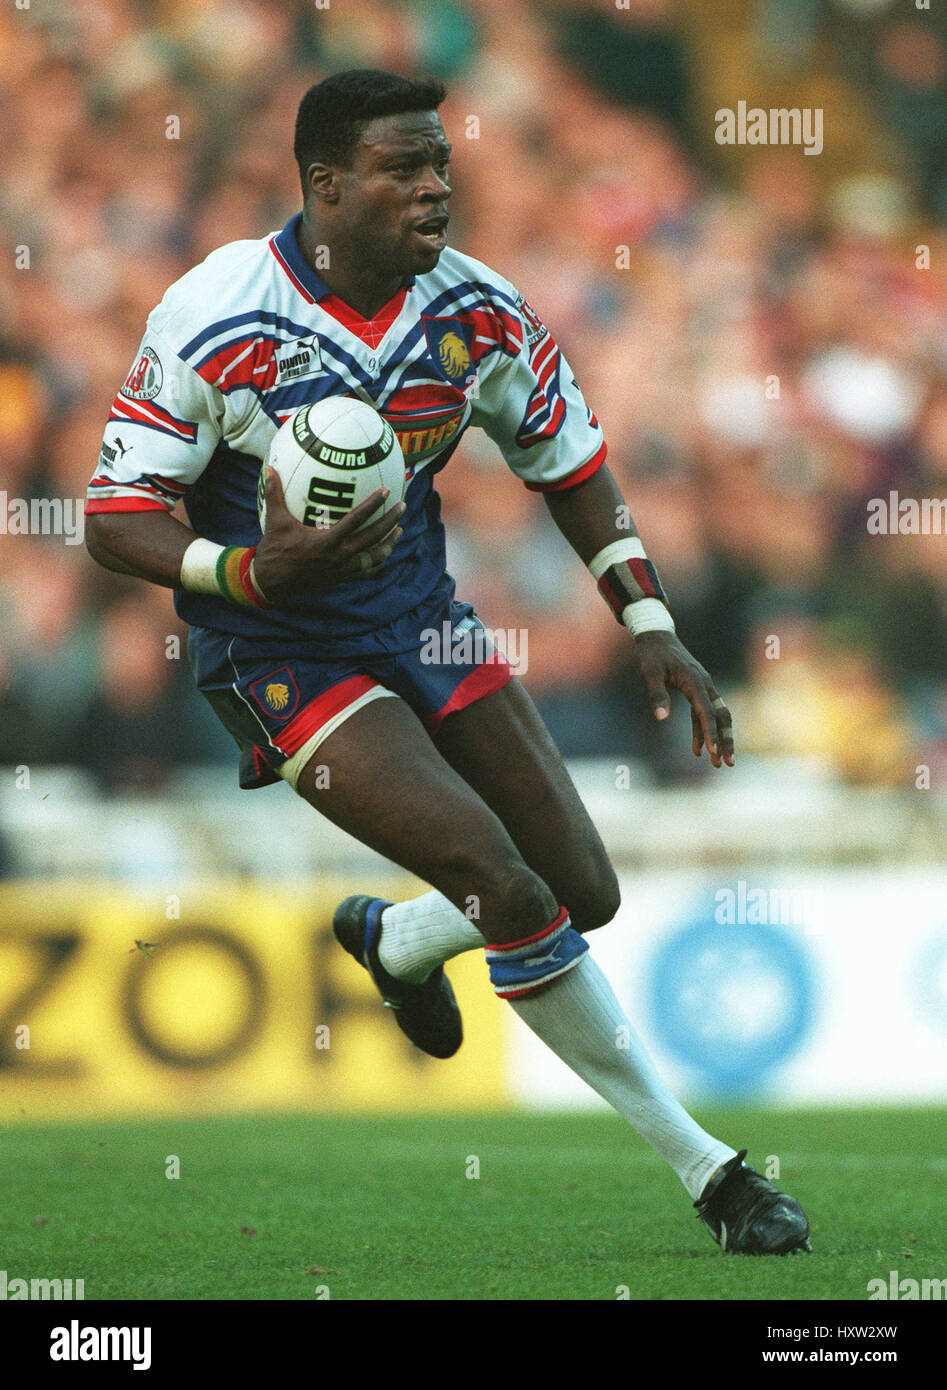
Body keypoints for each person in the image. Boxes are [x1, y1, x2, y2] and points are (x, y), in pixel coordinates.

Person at [85, 69, 809, 1256]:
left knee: (584, 890)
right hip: (274, 648)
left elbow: (567, 461)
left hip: (421, 621)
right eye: (403, 169)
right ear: (324, 185)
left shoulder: (478, 313)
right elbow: (115, 516)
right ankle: (714, 1174)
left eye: (441, 168)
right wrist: (250, 575)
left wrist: (648, 624)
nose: (434, 189)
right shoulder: (217, 310)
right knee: (508, 887)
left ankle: (399, 938)